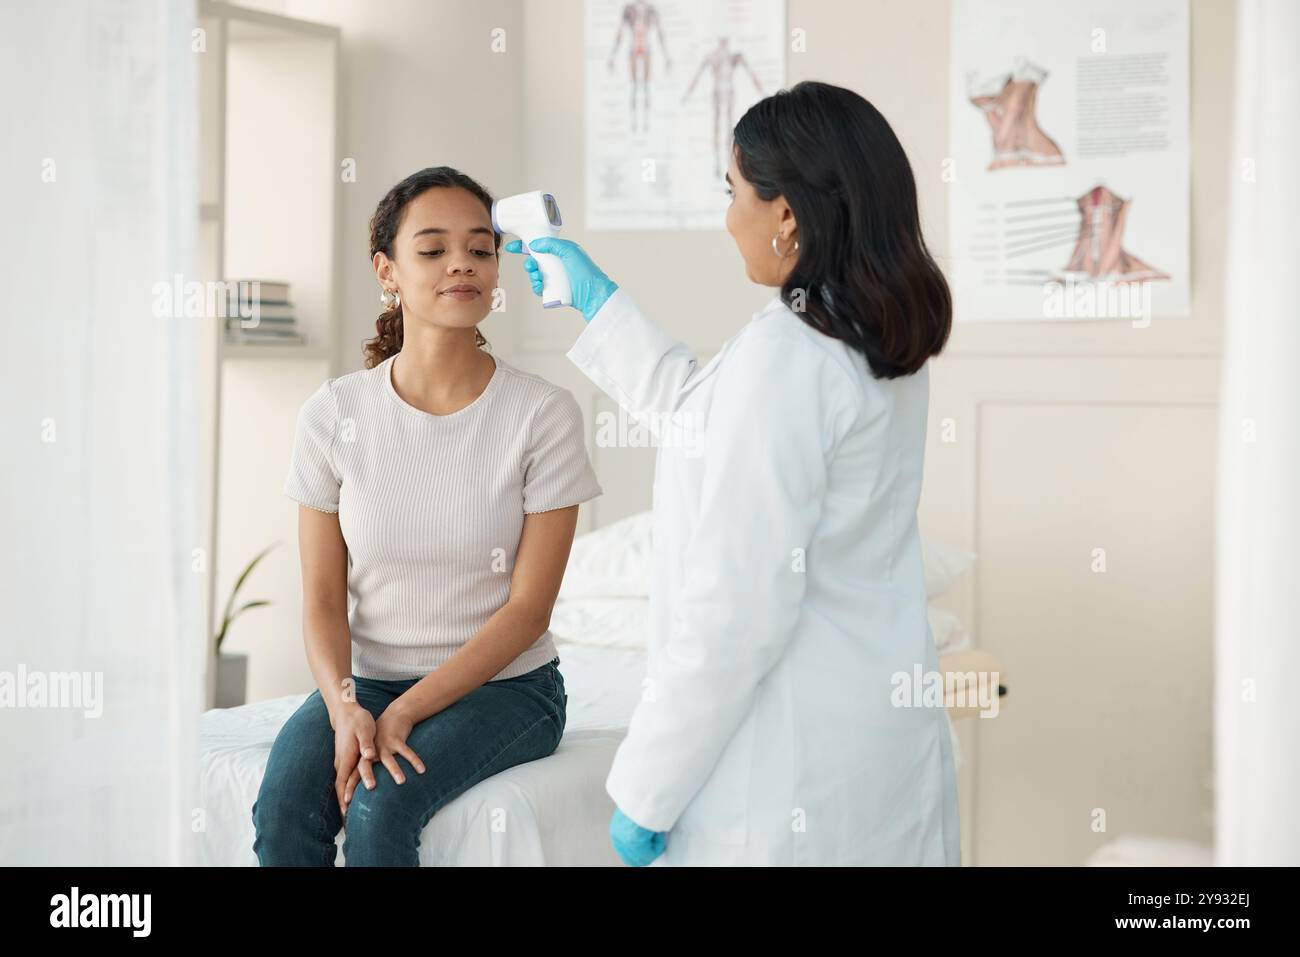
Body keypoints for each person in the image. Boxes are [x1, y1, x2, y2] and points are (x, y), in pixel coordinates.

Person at [508, 81, 961, 866]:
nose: (728, 218)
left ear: (786, 211)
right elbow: (703, 420)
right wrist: (599, 301)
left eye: (733, 192)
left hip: (792, 778)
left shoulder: (789, 356)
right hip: (876, 750)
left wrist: (647, 787)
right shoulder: (870, 338)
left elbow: (735, 610)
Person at [252, 167, 602, 866]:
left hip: (507, 688)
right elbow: (322, 597)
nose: (462, 264)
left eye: (479, 247)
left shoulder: (542, 413)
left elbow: (528, 610)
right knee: (287, 804)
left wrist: (407, 710)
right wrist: (348, 704)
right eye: (434, 248)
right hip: (370, 678)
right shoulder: (334, 413)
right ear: (387, 269)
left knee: (383, 805)